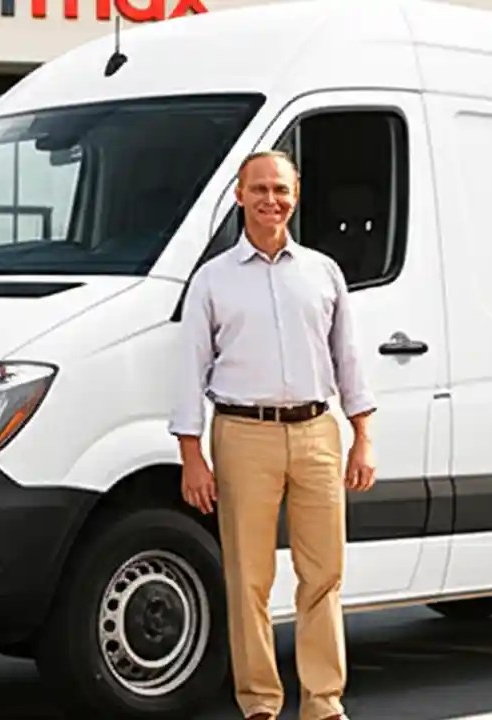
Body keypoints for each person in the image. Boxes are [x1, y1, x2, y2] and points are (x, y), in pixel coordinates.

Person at [168, 149, 377, 720]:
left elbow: (348, 359)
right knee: (249, 577)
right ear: (239, 196)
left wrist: (363, 436)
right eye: (258, 189)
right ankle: (260, 701)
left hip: (317, 432)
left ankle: (323, 702)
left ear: (296, 196)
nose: (270, 199)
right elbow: (190, 369)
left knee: (323, 574)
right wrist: (192, 455)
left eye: (280, 189)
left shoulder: (323, 273)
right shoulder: (212, 281)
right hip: (243, 434)